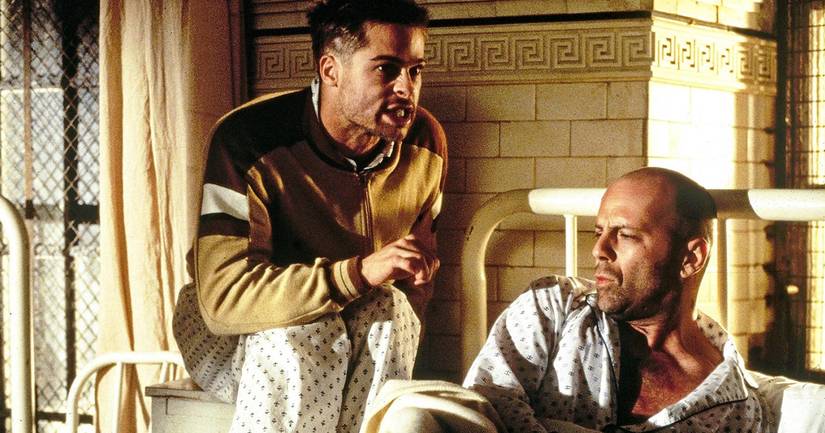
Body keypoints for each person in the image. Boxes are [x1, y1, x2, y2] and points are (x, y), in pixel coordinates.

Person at [172, 1, 447, 432]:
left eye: (415, 71)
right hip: (231, 332)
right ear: (330, 70)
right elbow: (225, 299)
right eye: (386, 69)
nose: (405, 88)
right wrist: (357, 274)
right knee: (307, 335)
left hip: (352, 320)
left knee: (391, 307)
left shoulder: (425, 142)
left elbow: (416, 287)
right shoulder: (248, 138)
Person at [463, 167, 766, 432]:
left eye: (626, 234)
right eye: (599, 232)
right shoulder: (553, 307)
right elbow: (485, 404)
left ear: (691, 258)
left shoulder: (733, 405)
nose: (599, 250)